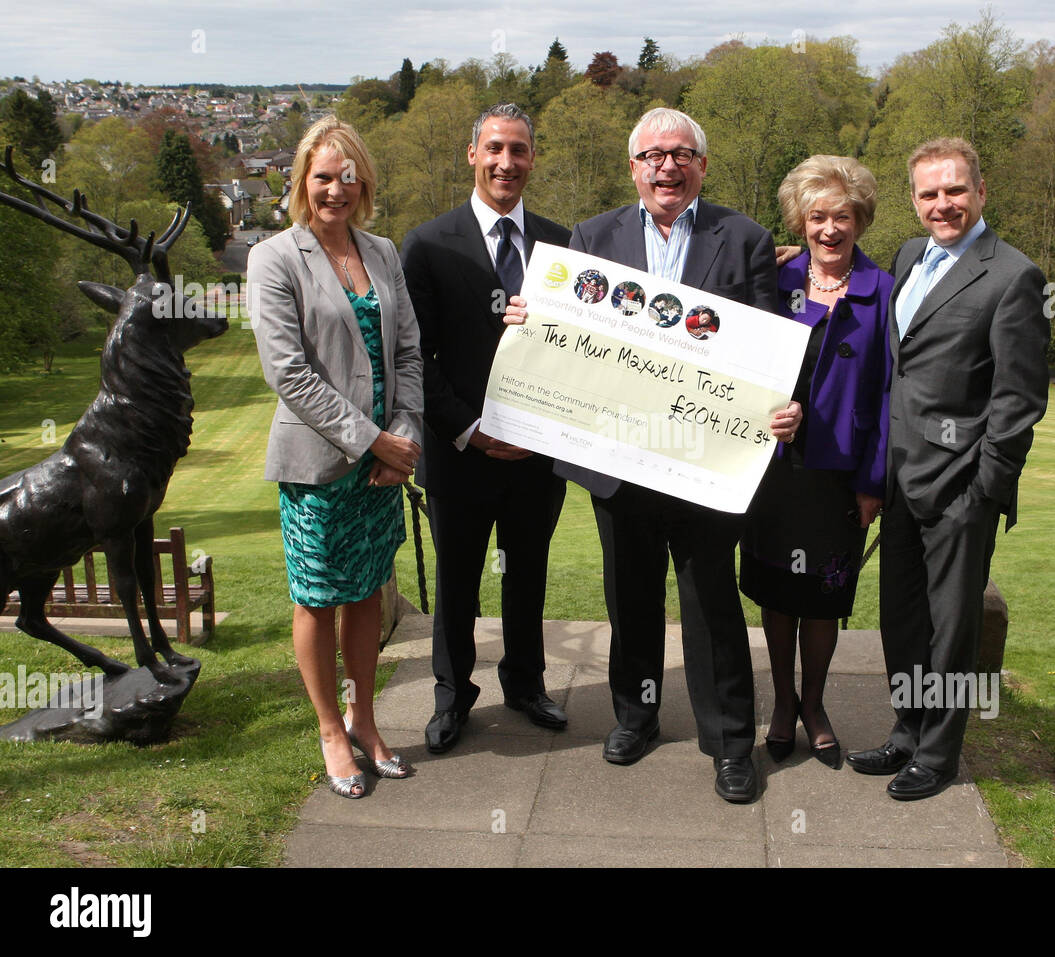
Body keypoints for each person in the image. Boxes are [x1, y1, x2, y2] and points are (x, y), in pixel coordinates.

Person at [506, 108, 800, 803]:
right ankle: (635, 717)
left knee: (711, 604)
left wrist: (781, 407)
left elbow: (764, 346)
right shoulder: (591, 235)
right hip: (618, 460)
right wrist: (527, 321)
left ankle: (730, 741)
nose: (667, 166)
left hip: (705, 459)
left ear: (702, 163)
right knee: (630, 600)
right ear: (633, 166)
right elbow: (565, 335)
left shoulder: (747, 238)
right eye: (653, 155)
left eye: (682, 153)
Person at [846, 137, 1048, 800]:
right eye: (929, 193)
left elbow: (1019, 398)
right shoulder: (909, 256)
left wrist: (986, 487)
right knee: (903, 618)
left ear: (981, 192)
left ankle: (939, 754)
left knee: (953, 626)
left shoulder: (1013, 275)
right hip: (902, 478)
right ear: (914, 199)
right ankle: (908, 730)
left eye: (955, 190)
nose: (943, 204)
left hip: (962, 488)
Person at [250, 116, 423, 798]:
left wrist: (402, 440)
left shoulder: (382, 252)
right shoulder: (274, 257)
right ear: (301, 182)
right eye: (322, 176)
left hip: (383, 465)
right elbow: (287, 372)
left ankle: (366, 718)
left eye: (347, 176)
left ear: (364, 183)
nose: (334, 189)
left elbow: (407, 351)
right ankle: (329, 729)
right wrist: (370, 440)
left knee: (367, 595)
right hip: (319, 466)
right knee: (319, 600)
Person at [400, 104, 571, 754]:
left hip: (535, 454)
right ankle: (452, 697)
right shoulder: (428, 244)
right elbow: (416, 358)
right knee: (457, 583)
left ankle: (525, 685)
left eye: (519, 150)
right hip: (459, 452)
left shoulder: (561, 245)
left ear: (532, 159)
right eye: (495, 148)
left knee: (527, 574)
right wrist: (470, 429)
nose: (507, 162)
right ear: (472, 154)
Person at [740, 155, 892, 771]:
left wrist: (873, 481)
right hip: (773, 470)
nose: (830, 229)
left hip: (839, 475)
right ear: (800, 221)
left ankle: (815, 704)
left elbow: (889, 391)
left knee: (826, 598)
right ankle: (780, 703)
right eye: (818, 216)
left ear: (860, 221)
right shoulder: (772, 280)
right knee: (779, 594)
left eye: (843, 217)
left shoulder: (883, 291)